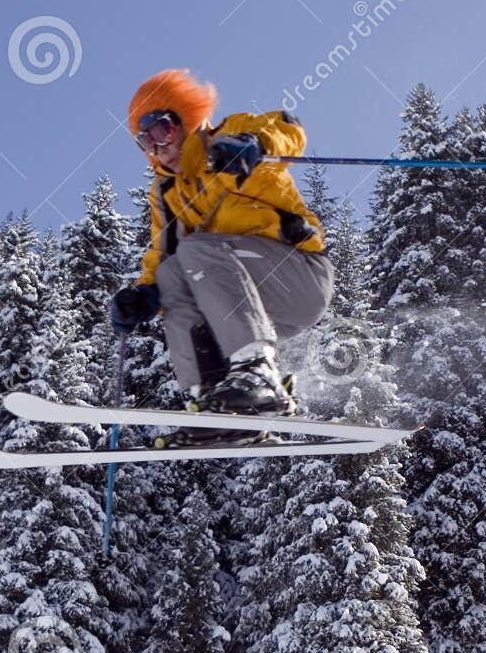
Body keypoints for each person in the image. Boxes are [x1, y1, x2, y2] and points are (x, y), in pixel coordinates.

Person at [110, 69, 333, 433]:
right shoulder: (166, 194)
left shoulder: (227, 138)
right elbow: (162, 257)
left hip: (299, 276)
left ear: (187, 119)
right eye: (144, 142)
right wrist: (144, 294)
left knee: (197, 249)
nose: (157, 148)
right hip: (249, 302)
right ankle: (210, 395)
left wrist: (255, 144)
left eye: (161, 131)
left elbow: (289, 128)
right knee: (171, 274)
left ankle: (257, 372)